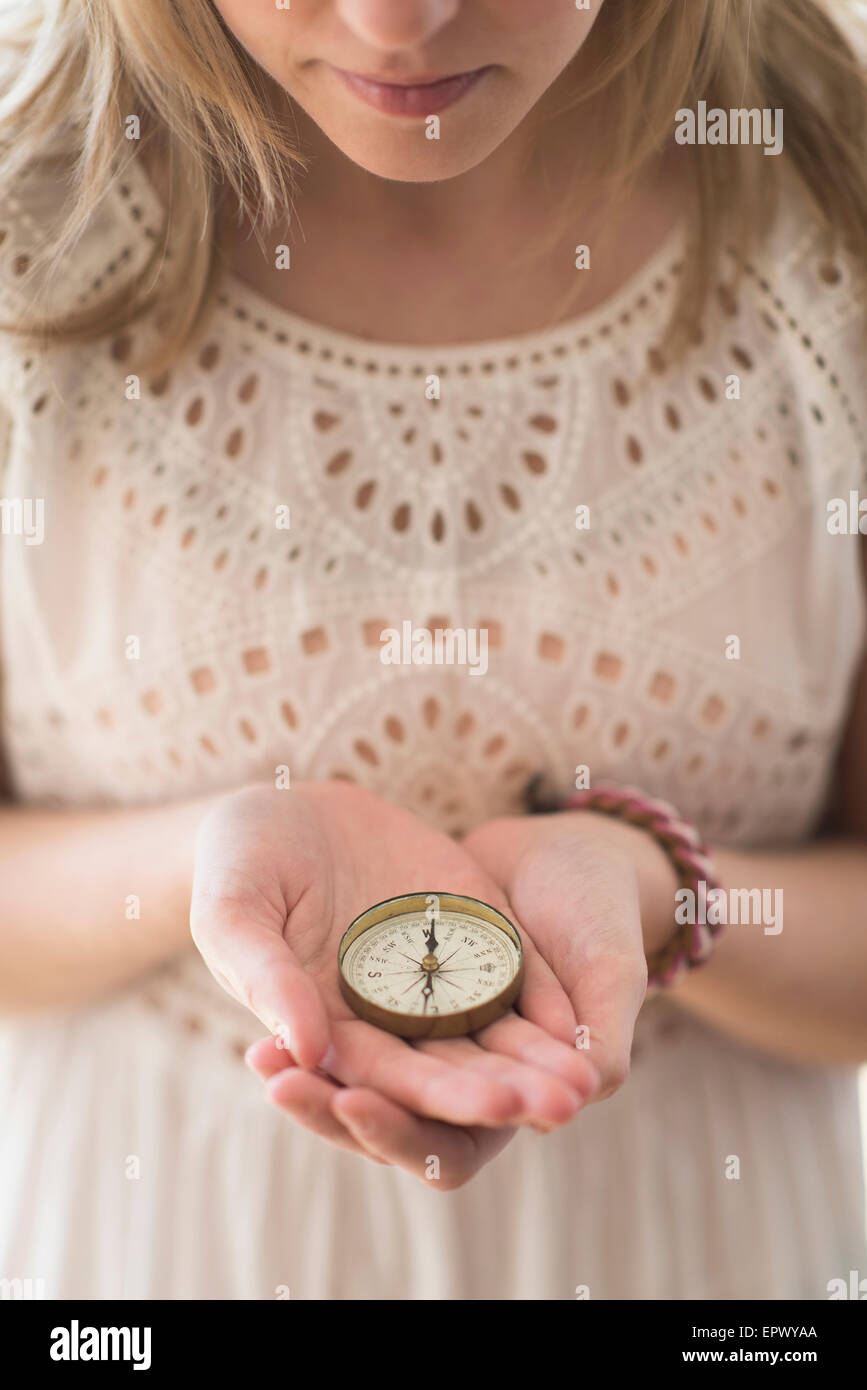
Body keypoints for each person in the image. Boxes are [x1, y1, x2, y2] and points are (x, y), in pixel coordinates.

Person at [0, 0, 865, 1300]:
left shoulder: (831, 212)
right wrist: (204, 866)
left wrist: (667, 896)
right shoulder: (26, 214)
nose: (395, 22)